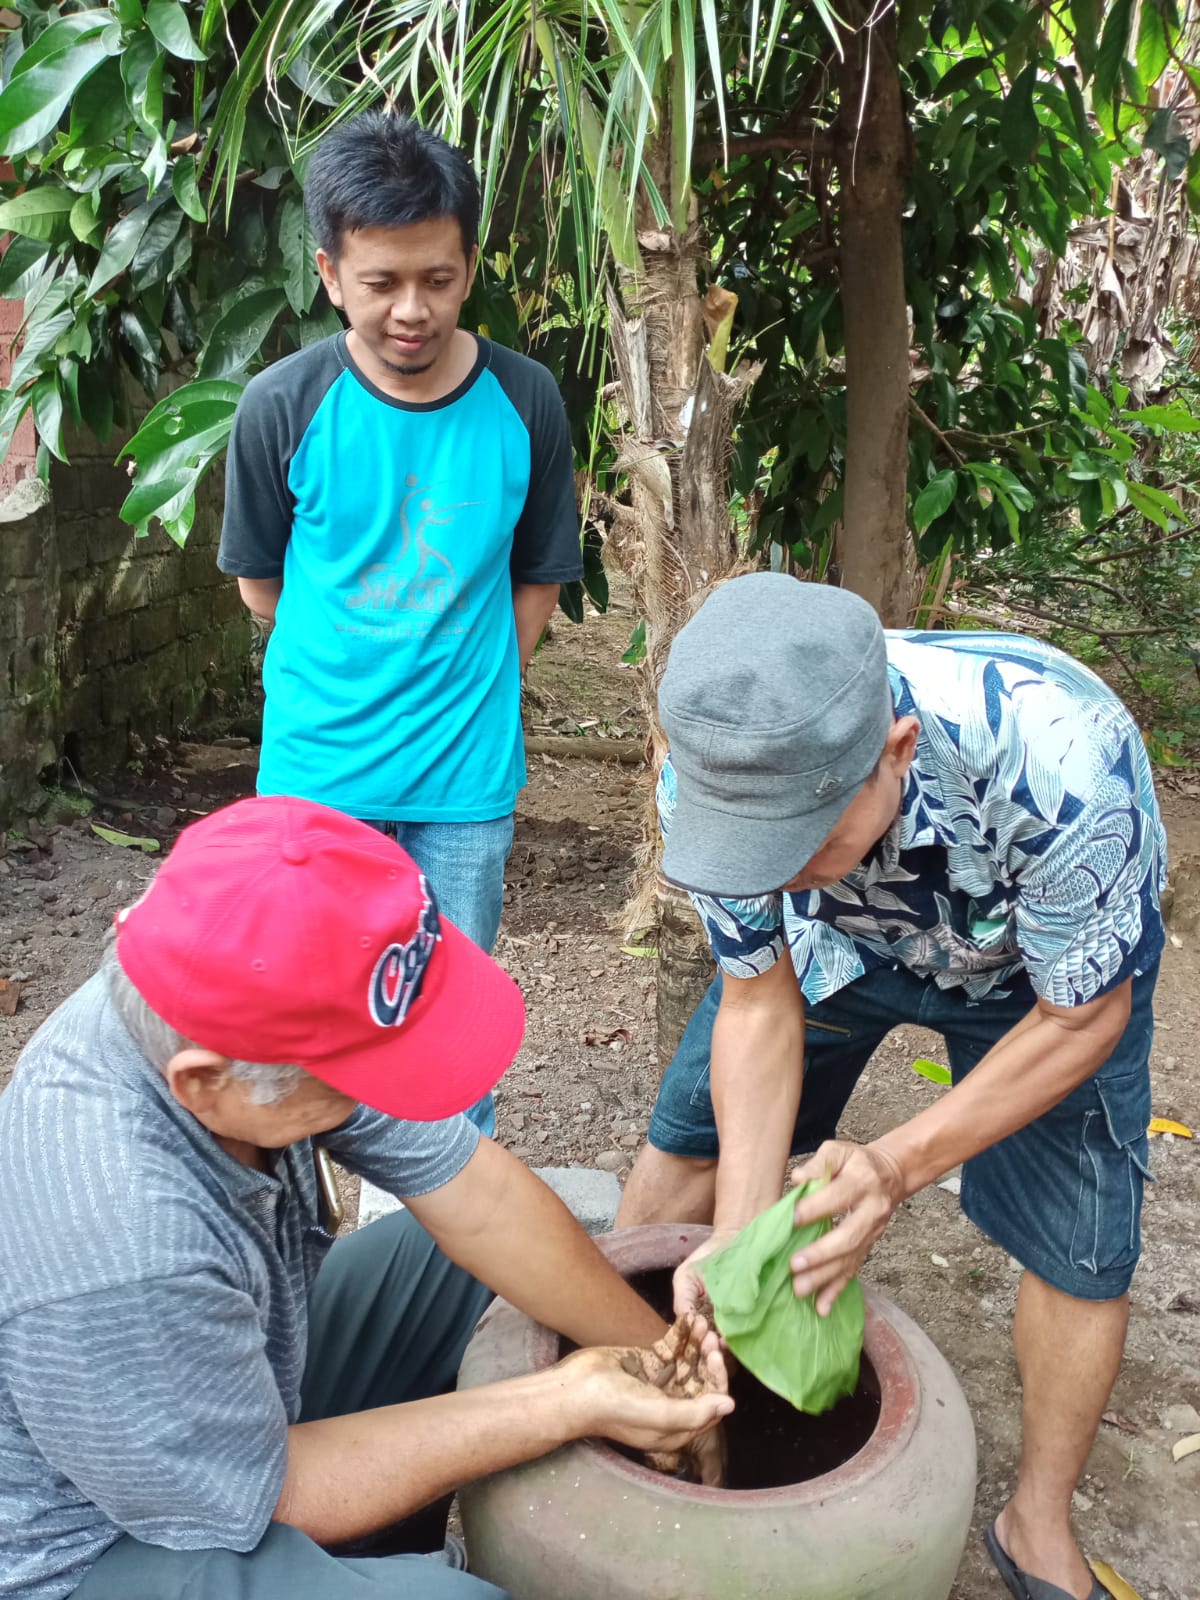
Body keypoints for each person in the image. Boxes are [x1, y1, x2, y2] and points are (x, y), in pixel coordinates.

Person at [0, 797, 730, 1600]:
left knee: (447, 1264)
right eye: (357, 1085)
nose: (386, 1098)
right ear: (203, 1083)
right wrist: (566, 1399)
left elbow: (481, 1200)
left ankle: (375, 1561)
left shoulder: (261, 990)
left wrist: (674, 1371)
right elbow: (273, 1493)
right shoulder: (125, 1241)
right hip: (102, 1546)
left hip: (220, 1397)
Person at [616, 573, 1166, 1600]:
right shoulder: (720, 776)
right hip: (843, 944)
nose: (770, 870)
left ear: (896, 752)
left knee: (1084, 1247)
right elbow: (758, 1007)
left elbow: (1084, 1016)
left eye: (802, 840)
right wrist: (739, 1246)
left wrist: (897, 1164)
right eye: (751, 849)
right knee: (685, 1154)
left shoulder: (1062, 762)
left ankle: (1038, 1522)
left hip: (1035, 975)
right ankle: (639, 1393)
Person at [217, 111, 583, 1136]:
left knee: (446, 1028)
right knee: (293, 1015)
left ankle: (431, 1265)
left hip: (464, 789)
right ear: (331, 274)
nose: (411, 309)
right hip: (315, 781)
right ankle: (300, 1228)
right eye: (381, 283)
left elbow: (541, 575)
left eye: (438, 277)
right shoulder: (281, 407)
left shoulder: (526, 399)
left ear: (470, 265)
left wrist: (466, 685)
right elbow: (261, 586)